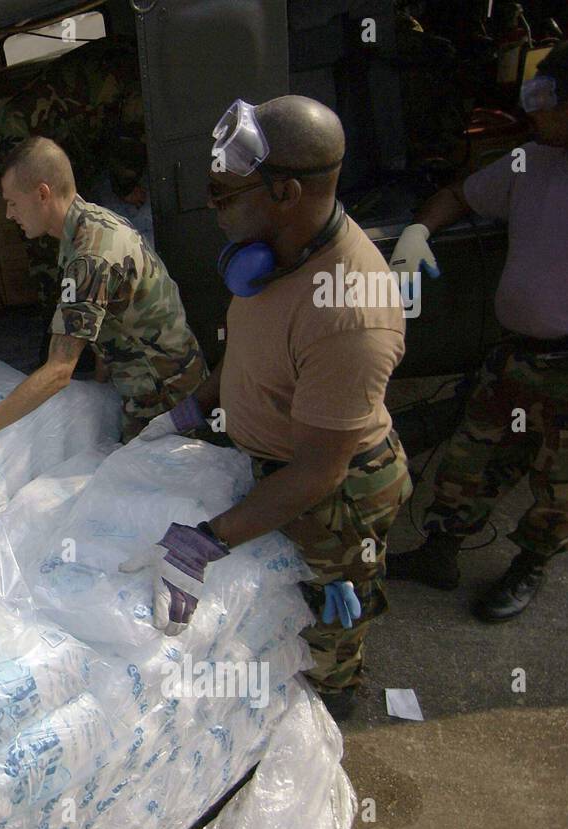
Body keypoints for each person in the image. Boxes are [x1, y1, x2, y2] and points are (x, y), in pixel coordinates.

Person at [134, 96, 412, 719]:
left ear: (285, 193)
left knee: (325, 621)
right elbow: (259, 352)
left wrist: (205, 542)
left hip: (337, 494)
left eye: (223, 192)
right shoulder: (274, 258)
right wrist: (192, 409)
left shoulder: (348, 313)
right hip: (280, 466)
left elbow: (320, 473)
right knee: (283, 602)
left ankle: (336, 702)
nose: (212, 205)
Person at [387, 42, 568, 622]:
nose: (534, 112)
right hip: (515, 357)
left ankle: (529, 564)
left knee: (560, 485)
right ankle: (441, 552)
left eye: (548, 100)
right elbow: (460, 193)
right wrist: (419, 230)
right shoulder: (532, 162)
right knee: (471, 456)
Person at [0, 135, 205, 467]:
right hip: (157, 385)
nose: (8, 214)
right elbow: (109, 317)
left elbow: (59, 370)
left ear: (42, 194)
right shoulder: (92, 224)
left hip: (166, 399)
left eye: (13, 203)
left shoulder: (89, 255)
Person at [0, 34, 154, 327]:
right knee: (49, 236)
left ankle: (80, 322)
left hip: (54, 137)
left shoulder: (129, 57)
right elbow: (130, 134)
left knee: (69, 229)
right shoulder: (139, 72)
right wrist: (125, 186)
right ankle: (59, 329)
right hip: (24, 137)